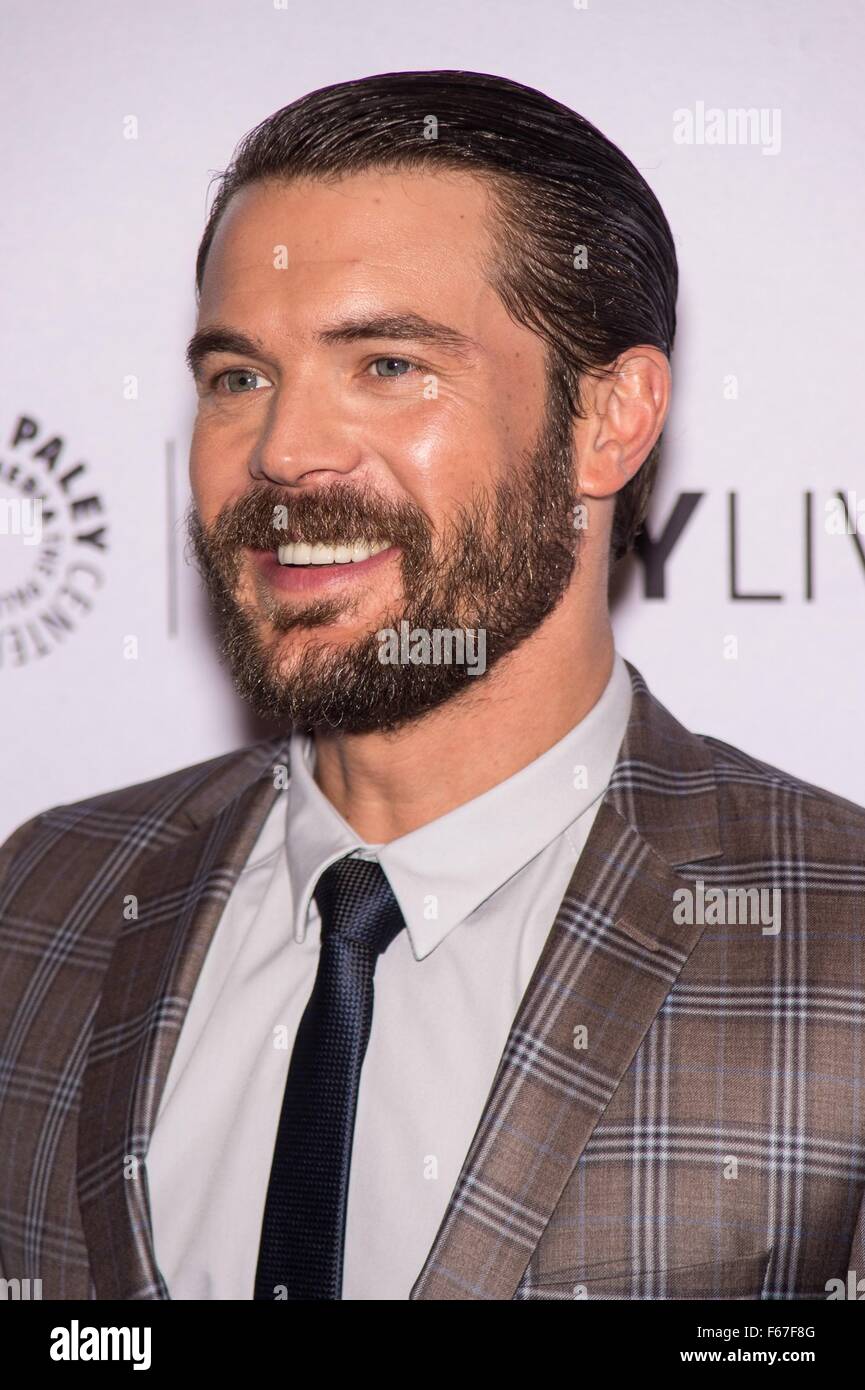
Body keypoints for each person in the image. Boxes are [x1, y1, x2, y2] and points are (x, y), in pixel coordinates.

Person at [1, 69, 864, 1302]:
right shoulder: (42, 896)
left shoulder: (842, 945)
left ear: (607, 420)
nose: (285, 451)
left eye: (390, 364)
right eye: (238, 376)